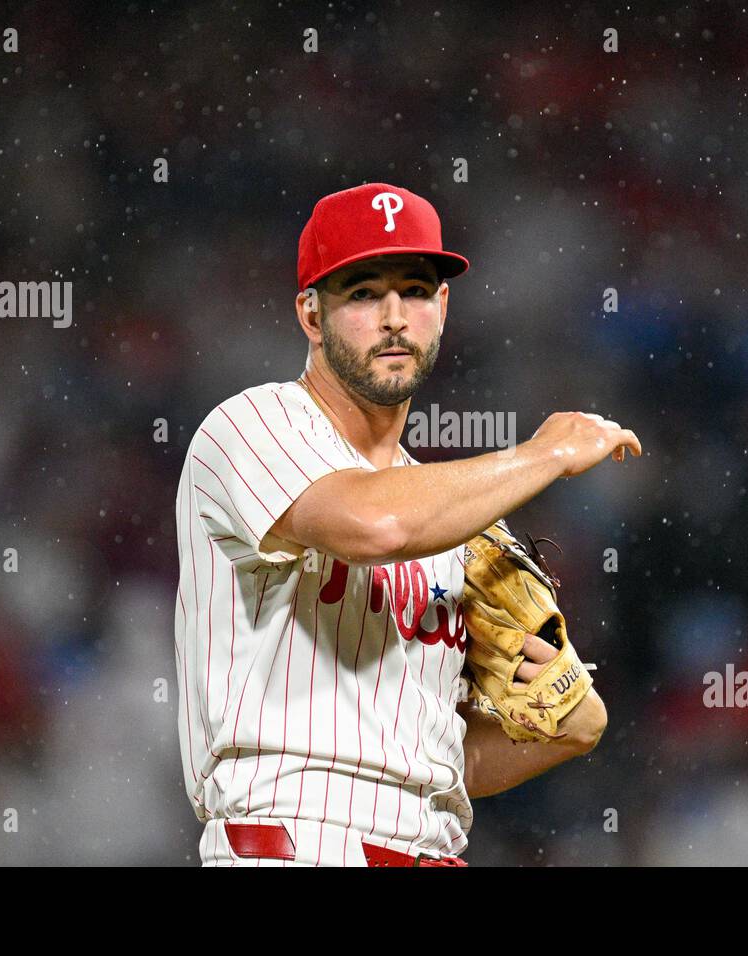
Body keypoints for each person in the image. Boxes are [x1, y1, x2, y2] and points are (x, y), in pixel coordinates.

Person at [173, 182, 642, 866]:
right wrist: (545, 454)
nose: (395, 317)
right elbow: (375, 523)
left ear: (443, 307)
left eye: (416, 291)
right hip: (295, 841)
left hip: (433, 848)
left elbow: (442, 762)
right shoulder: (252, 426)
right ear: (311, 312)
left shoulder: (450, 517)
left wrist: (570, 722)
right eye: (363, 293)